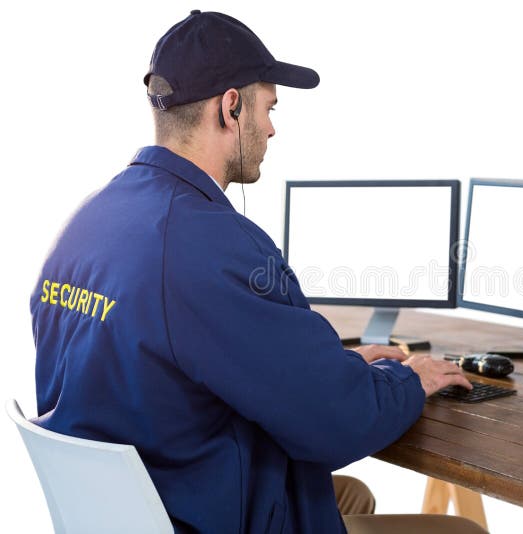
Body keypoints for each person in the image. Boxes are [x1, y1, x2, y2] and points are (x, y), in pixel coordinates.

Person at [30, 9, 487, 534]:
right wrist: (408, 378)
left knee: (350, 497)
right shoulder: (213, 244)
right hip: (204, 515)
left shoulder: (87, 221)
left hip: (144, 505)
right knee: (460, 532)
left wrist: (324, 369)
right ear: (230, 108)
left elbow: (177, 363)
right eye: (268, 107)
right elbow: (337, 425)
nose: (272, 127)